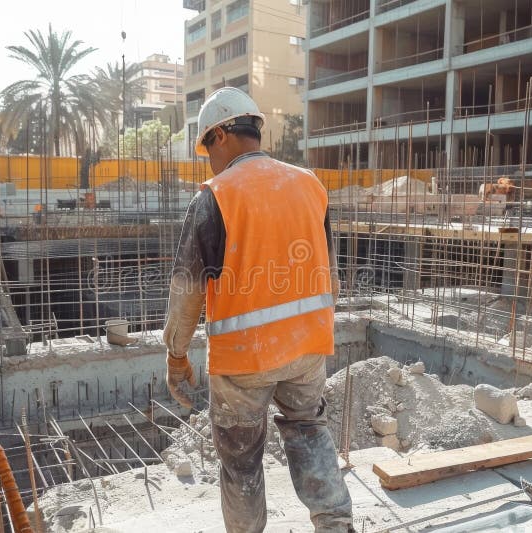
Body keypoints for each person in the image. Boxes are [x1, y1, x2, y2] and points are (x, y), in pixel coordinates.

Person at [163, 87, 353, 532]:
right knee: (310, 434)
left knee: (242, 466)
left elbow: (186, 291)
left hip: (243, 362)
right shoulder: (309, 185)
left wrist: (175, 357)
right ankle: (336, 525)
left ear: (222, 136)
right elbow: (331, 276)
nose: (208, 159)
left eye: (207, 147)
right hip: (307, 350)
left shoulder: (214, 196)